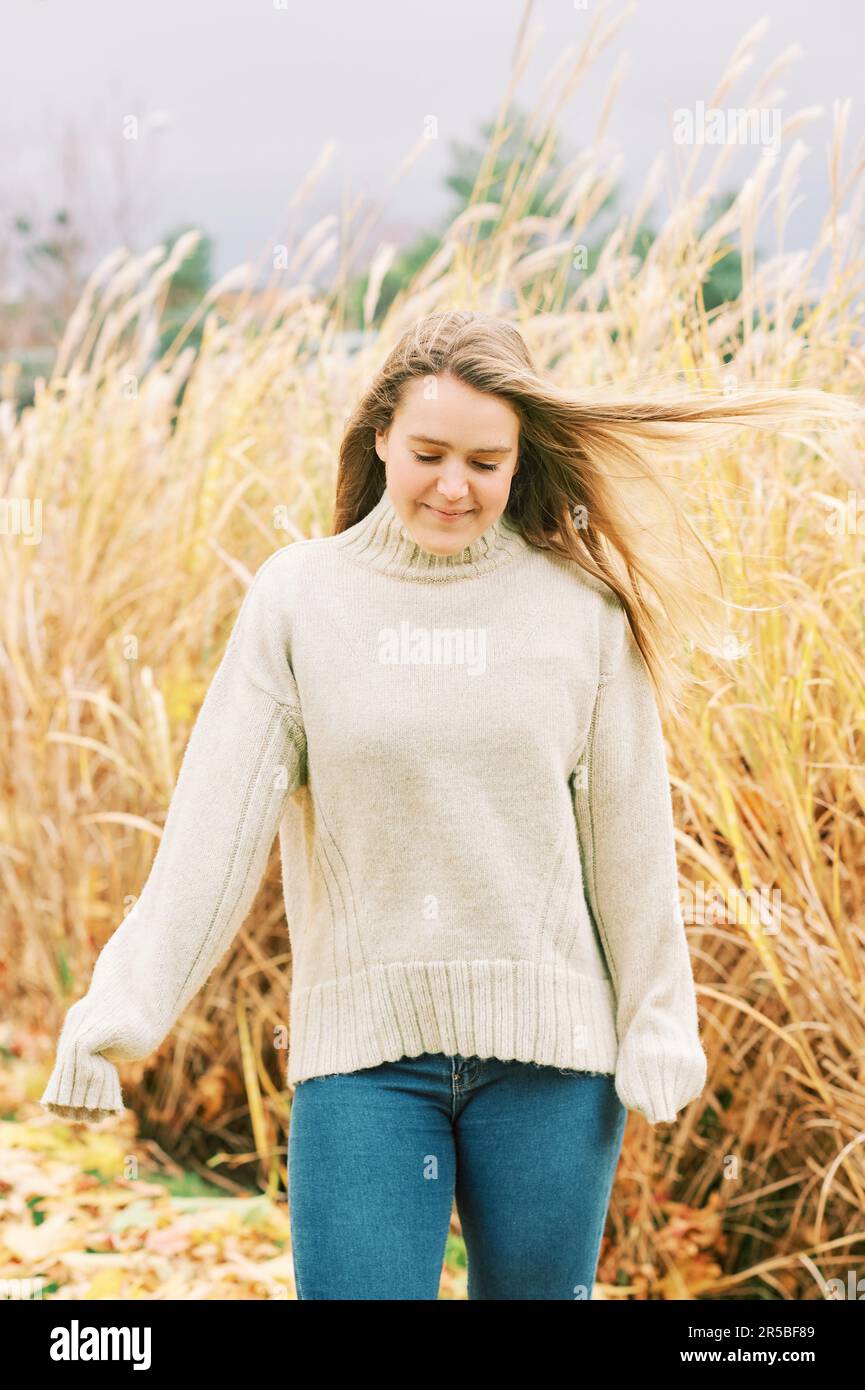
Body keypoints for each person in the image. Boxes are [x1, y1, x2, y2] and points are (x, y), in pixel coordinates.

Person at [39, 309, 853, 1300]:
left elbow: (630, 844)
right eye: (428, 453)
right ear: (380, 434)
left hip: (552, 1067)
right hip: (364, 1066)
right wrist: (118, 1011)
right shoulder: (300, 601)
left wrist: (657, 1018)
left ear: (518, 462)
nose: (454, 486)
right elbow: (213, 834)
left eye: (485, 460)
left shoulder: (583, 612)